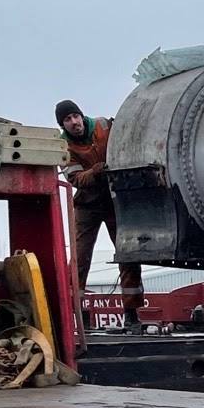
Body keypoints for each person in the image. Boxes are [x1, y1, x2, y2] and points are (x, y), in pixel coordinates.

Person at [57, 99, 145, 330]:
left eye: (75, 116)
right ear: (62, 125)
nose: (74, 122)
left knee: (128, 254)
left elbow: (126, 135)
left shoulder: (104, 126)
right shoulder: (63, 147)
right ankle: (70, 315)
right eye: (67, 119)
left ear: (81, 115)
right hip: (88, 205)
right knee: (80, 258)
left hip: (115, 200)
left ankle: (132, 315)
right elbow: (75, 179)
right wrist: (95, 172)